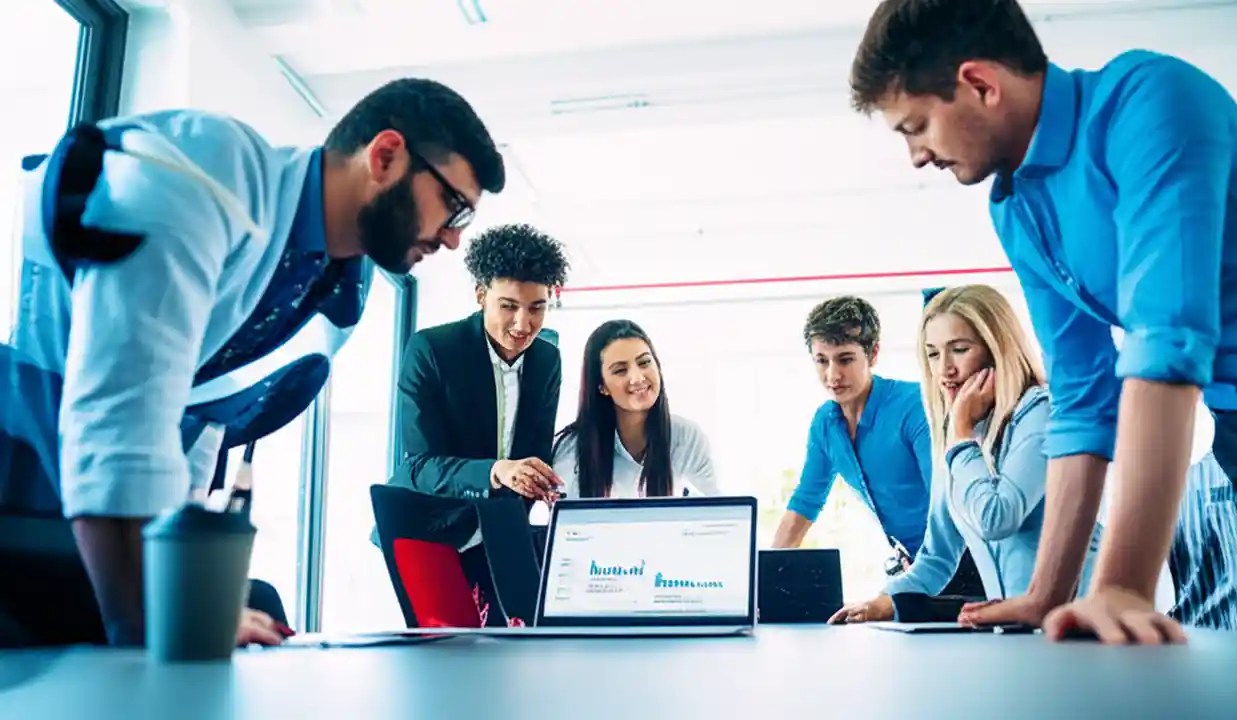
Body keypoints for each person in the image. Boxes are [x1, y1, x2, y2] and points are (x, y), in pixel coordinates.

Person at [1, 78, 505, 647]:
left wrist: (192, 601)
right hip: (26, 483)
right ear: (385, 156)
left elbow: (201, 422)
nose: (454, 239)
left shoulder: (337, 289)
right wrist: (169, 623)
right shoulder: (202, 177)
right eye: (455, 206)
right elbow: (121, 421)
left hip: (89, 514)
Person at [848, 0, 1237, 642]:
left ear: (980, 83)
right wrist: (1046, 595)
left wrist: (1124, 586)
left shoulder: (1149, 100)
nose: (915, 155)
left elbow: (1167, 339)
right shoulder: (1015, 205)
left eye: (917, 126)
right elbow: (1082, 395)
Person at [830, 285, 1099, 623]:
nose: (944, 369)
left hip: (1083, 624)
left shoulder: (1039, 413)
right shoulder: (961, 433)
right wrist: (883, 602)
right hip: (1023, 629)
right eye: (933, 354)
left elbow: (997, 518)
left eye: (959, 350)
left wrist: (960, 435)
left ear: (996, 350)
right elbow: (937, 558)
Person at [384, 223, 568, 504]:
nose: (523, 324)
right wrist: (494, 472)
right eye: (508, 306)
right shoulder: (432, 350)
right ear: (481, 295)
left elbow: (536, 455)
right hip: (428, 516)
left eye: (536, 308)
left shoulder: (547, 360)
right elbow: (420, 466)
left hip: (500, 519)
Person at [771, 297, 935, 562]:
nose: (832, 375)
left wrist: (921, 574)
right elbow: (805, 503)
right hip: (913, 564)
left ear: (873, 354)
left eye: (845, 360)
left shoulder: (915, 406)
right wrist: (764, 575)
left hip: (959, 560)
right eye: (822, 361)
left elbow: (945, 504)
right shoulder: (825, 423)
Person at [552, 320, 718, 499]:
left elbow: (715, 509)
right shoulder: (571, 449)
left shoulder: (687, 437)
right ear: (602, 386)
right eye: (620, 370)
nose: (637, 378)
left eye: (644, 362)